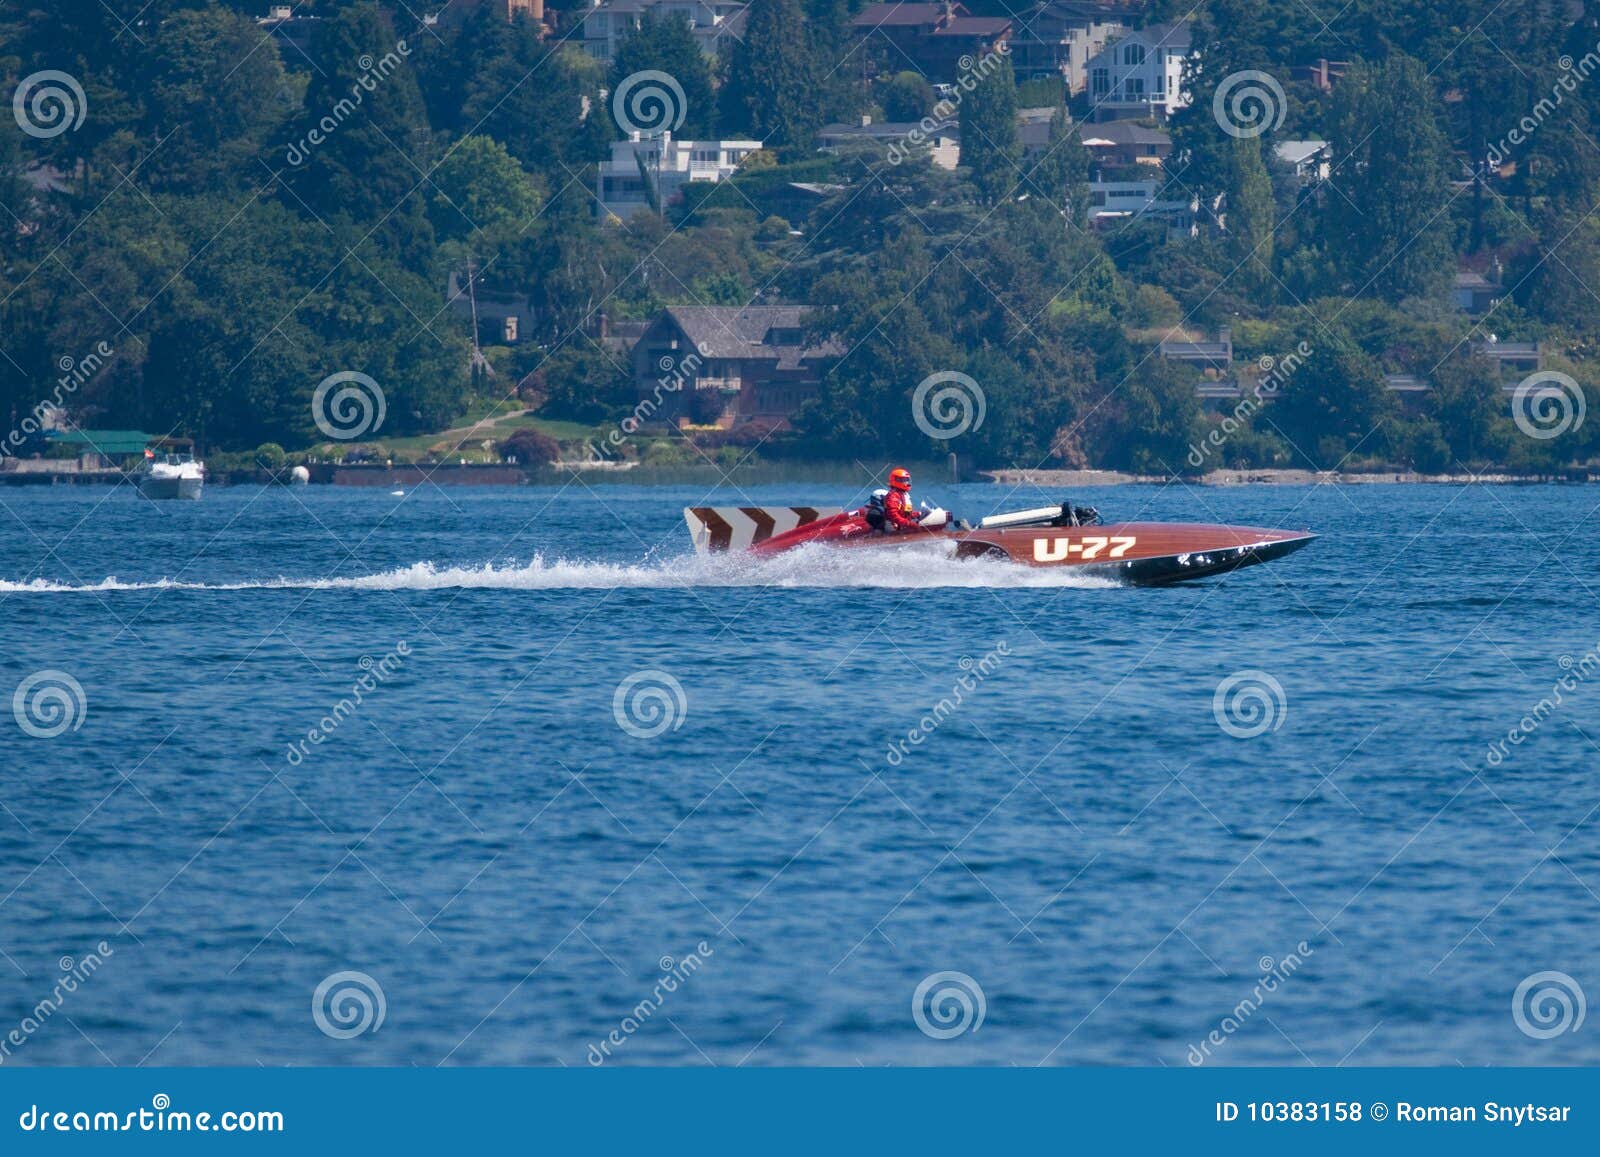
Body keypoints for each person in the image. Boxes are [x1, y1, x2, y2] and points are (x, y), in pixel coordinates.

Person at [882, 467, 924, 532]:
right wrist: (908, 523)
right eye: (904, 480)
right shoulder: (893, 495)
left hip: (902, 525)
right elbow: (893, 515)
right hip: (893, 527)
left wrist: (918, 514)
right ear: (897, 480)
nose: (907, 482)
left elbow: (906, 513)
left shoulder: (903, 494)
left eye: (907, 480)